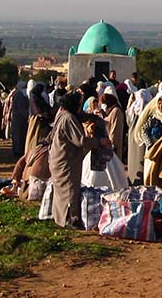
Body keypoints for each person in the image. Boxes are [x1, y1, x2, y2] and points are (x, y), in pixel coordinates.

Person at [49, 92, 109, 228]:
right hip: (66, 160)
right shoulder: (69, 119)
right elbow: (80, 140)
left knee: (62, 191)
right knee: (70, 189)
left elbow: (80, 116)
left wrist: (92, 117)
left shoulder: (63, 114)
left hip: (58, 158)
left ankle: (60, 218)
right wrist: (99, 142)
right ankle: (71, 219)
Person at [125, 86, 153, 184]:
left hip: (132, 139)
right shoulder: (148, 109)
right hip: (143, 141)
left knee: (133, 161)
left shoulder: (132, 109)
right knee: (142, 161)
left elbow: (128, 121)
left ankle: (133, 180)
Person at [4, 81, 30, 157]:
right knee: (19, 135)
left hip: (17, 118)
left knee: (17, 135)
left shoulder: (17, 94)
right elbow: (21, 109)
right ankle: (18, 151)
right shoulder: (20, 95)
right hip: (19, 119)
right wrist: (27, 115)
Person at [100, 92, 125, 161]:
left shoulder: (116, 111)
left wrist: (112, 143)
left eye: (104, 103)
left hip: (113, 144)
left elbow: (115, 129)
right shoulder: (110, 111)